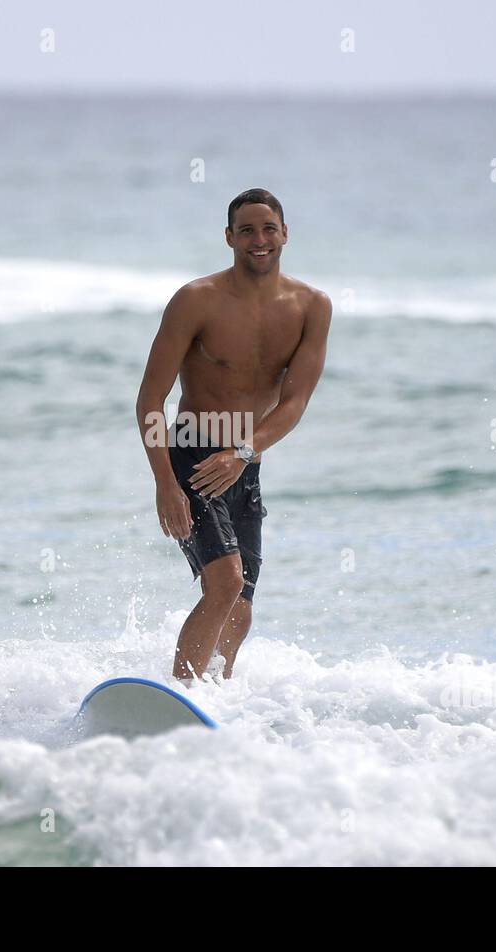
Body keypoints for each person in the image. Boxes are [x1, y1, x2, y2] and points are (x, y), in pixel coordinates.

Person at [135, 188, 332, 682]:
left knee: (241, 608)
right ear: (229, 238)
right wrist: (165, 484)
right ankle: (179, 695)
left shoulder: (312, 306)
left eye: (268, 229)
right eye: (246, 230)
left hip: (245, 459)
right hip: (192, 452)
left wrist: (245, 452)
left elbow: (294, 403)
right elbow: (149, 402)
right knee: (223, 584)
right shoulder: (196, 300)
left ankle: (211, 701)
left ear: (285, 233)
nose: (258, 240)